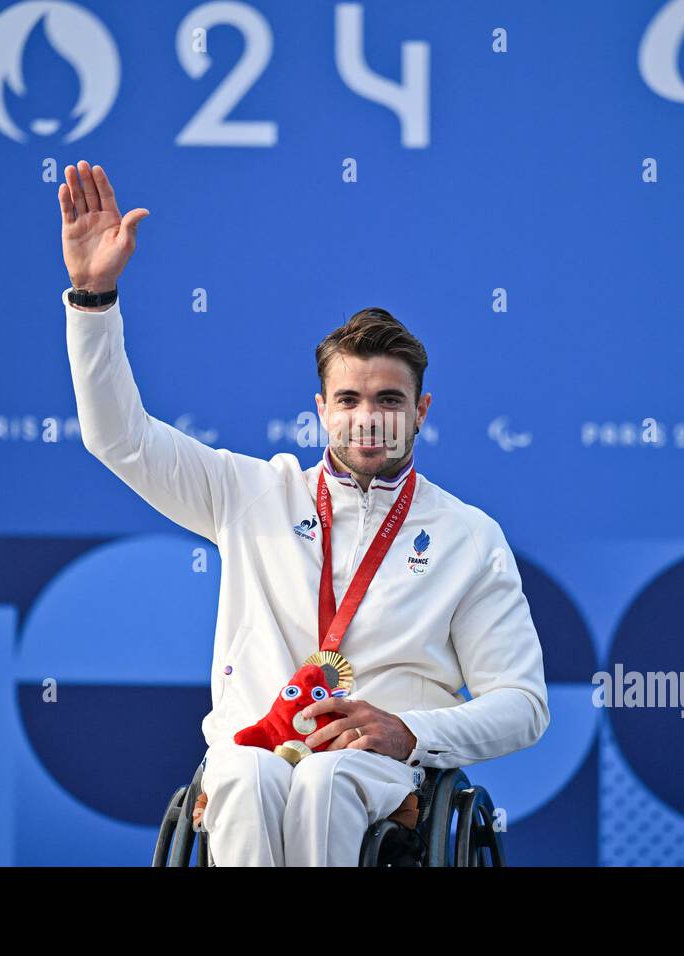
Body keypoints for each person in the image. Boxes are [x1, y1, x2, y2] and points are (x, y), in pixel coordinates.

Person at [57, 160, 550, 866]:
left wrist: (406, 731)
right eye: (349, 400)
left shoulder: (467, 538)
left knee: (325, 777)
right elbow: (117, 437)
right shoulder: (249, 492)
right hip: (250, 752)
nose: (368, 418)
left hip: (375, 773)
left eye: (389, 401)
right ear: (321, 410)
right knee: (250, 771)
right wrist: (94, 298)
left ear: (422, 413)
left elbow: (522, 704)